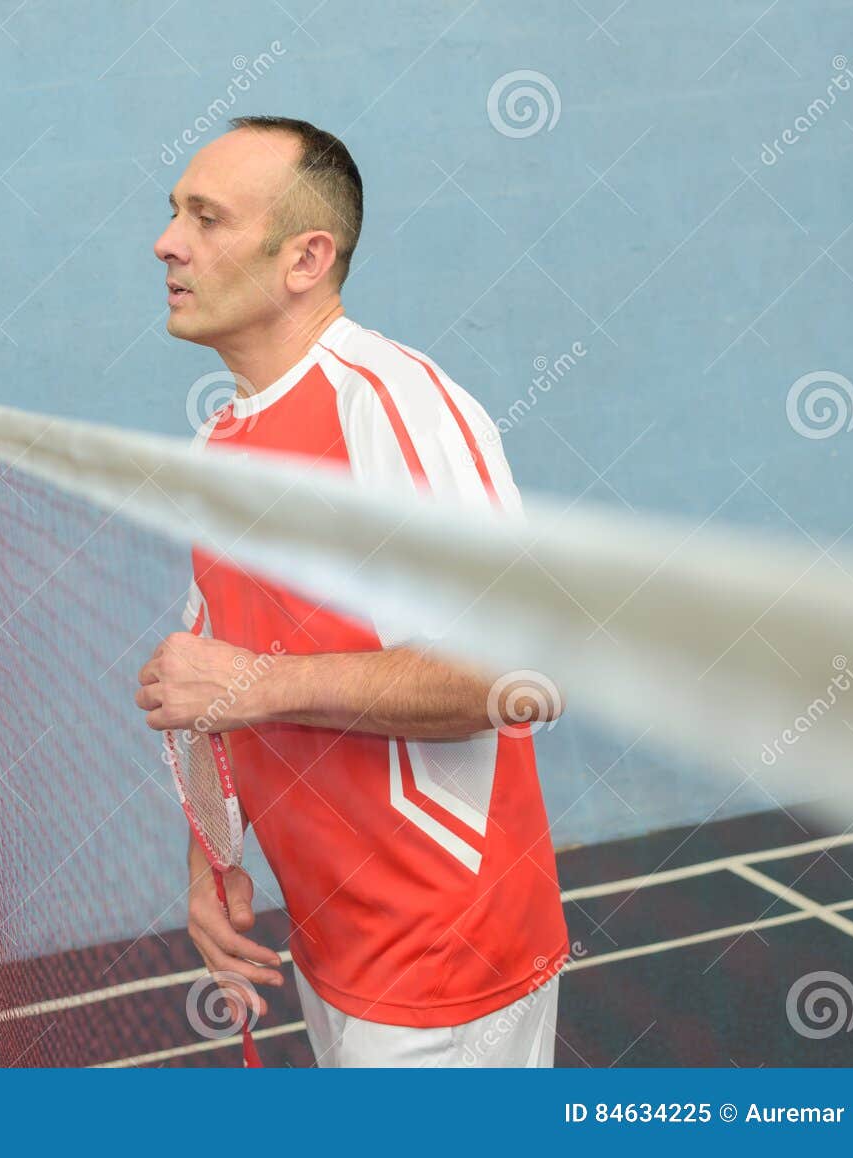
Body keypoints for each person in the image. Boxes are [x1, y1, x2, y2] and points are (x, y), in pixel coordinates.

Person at [135, 115, 570, 1067]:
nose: (167, 242)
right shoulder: (224, 447)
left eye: (206, 218)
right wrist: (215, 856)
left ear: (306, 258)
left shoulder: (392, 403)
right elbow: (221, 689)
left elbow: (519, 676)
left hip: (446, 962)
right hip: (332, 944)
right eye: (174, 214)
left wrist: (249, 683)